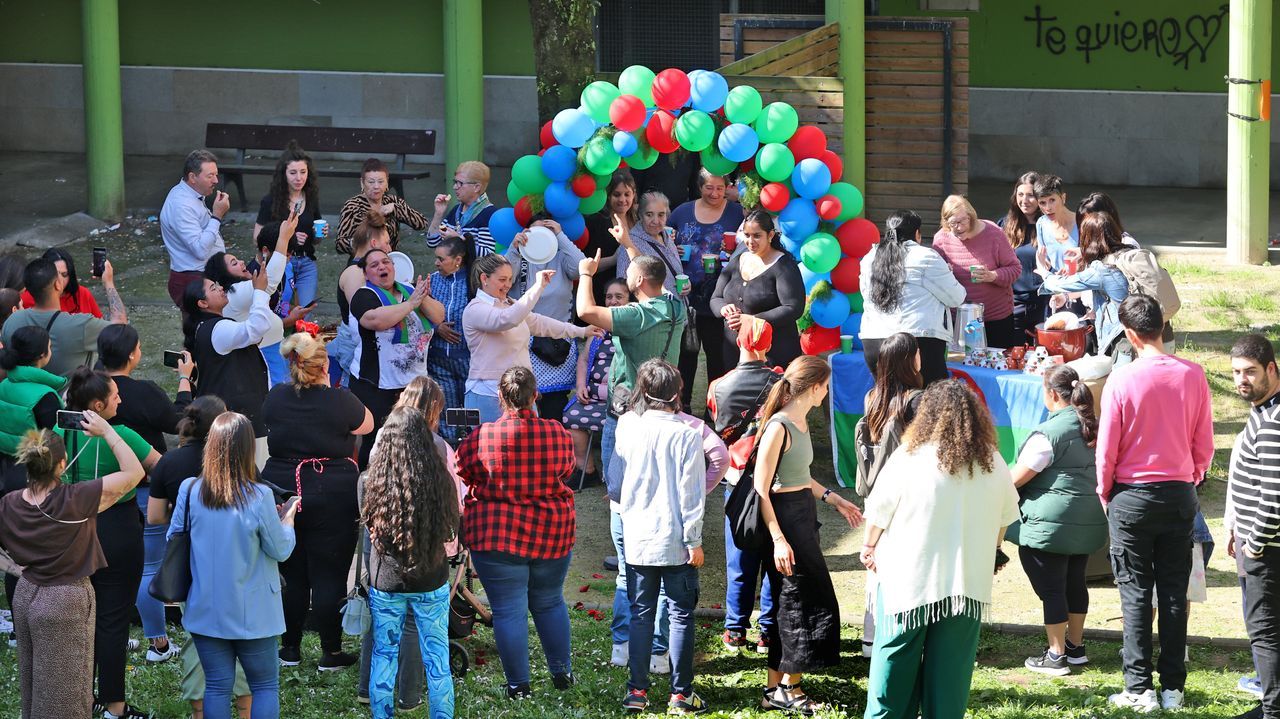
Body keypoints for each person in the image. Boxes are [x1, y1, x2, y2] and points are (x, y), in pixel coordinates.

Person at [860, 380, 1019, 719]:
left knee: (894, 662)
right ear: (976, 417)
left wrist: (869, 545)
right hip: (966, 584)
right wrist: (992, 549)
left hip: (909, 583)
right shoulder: (993, 461)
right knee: (951, 675)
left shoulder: (910, 456)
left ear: (927, 416)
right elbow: (1005, 517)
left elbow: (878, 512)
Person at [1096, 295, 1214, 712]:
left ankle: (1139, 686)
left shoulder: (1122, 379)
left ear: (1129, 335)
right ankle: (1172, 689)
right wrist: (1191, 476)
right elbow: (1204, 443)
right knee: (1174, 592)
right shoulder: (1193, 374)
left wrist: (1104, 491)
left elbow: (1107, 449)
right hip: (1179, 492)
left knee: (1135, 592)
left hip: (1131, 495)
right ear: (1162, 327)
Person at [0, 414, 144, 719]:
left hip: (26, 594)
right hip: (64, 599)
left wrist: (17, 570)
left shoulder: (9, 502)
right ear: (61, 465)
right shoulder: (76, 498)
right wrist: (107, 431)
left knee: (33, 686)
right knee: (66, 697)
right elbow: (135, 472)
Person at [748, 355, 863, 713]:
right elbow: (761, 489)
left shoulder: (800, 422)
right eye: (825, 387)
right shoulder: (778, 427)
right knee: (802, 603)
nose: (827, 393)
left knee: (794, 601)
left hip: (802, 515)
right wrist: (778, 539)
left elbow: (799, 475)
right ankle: (789, 688)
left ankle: (774, 690)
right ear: (813, 387)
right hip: (784, 522)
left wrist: (833, 498)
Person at [455, 366, 577, 699]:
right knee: (550, 601)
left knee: (509, 610)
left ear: (500, 397)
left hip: (496, 534)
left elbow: (462, 469)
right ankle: (562, 674)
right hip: (551, 532)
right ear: (535, 396)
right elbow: (567, 469)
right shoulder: (557, 433)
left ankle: (518, 686)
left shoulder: (482, 436)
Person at [171, 412, 298, 719]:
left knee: (216, 686)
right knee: (264, 686)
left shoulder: (190, 490)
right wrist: (288, 520)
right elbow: (280, 549)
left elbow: (173, 537)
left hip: (205, 606)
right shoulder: (260, 495)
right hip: (255, 611)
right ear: (248, 448)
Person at [261, 333, 373, 669]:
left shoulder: (276, 397)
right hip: (332, 492)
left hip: (283, 490)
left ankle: (290, 648)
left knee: (291, 574)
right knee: (329, 573)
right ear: (324, 365)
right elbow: (366, 424)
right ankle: (331, 652)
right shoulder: (341, 400)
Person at [356, 375, 467, 709]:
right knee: (437, 656)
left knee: (383, 650)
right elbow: (453, 520)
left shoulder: (369, 478)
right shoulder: (440, 472)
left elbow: (370, 523)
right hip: (430, 571)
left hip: (386, 574)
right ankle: (418, 702)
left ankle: (376, 704)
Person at [576, 242, 686, 574]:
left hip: (627, 411)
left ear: (638, 281)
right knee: (656, 481)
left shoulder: (635, 316)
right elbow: (651, 273)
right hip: (664, 407)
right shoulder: (675, 305)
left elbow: (585, 311)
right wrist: (627, 243)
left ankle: (628, 560)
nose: (625, 276)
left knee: (620, 489)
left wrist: (585, 274)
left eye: (630, 273)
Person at [59, 368, 162, 719]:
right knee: (113, 619)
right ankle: (115, 706)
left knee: (80, 619)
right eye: (115, 395)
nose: (121, 399)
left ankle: (82, 700)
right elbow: (160, 468)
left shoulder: (58, 433)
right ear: (98, 406)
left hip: (71, 528)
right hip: (116, 528)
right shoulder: (122, 435)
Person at [611, 359, 709, 714]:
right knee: (680, 615)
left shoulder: (627, 426)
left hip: (638, 535)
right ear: (677, 392)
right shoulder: (687, 434)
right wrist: (694, 540)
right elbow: (691, 494)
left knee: (641, 614)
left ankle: (637, 691)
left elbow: (619, 470)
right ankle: (681, 694)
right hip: (676, 538)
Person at [144, 397, 252, 719]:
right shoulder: (238, 462)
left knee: (197, 635)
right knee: (241, 637)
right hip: (237, 562)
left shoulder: (170, 462)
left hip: (192, 564)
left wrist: (186, 517)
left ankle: (198, 708)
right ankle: (244, 708)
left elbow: (154, 517)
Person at [97, 324, 192, 663]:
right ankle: (158, 643)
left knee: (106, 568)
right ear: (131, 355)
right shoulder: (142, 392)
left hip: (101, 491)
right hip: (143, 491)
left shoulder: (87, 391)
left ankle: (113, 635)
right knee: (149, 566)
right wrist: (185, 379)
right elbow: (179, 420)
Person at [1005, 364, 1107, 676]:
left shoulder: (1049, 434)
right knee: (1075, 582)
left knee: (1052, 589)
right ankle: (1075, 647)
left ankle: (1055, 654)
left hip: (1050, 524)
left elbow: (1016, 480)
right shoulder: (1096, 427)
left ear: (1051, 394)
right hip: (1088, 520)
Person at [706, 317, 781, 653]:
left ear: (739, 342)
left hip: (737, 480)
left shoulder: (718, 386)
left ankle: (735, 629)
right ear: (767, 344)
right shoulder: (782, 383)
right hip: (774, 479)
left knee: (738, 561)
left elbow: (716, 426)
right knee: (773, 561)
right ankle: (768, 631)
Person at [461, 254, 597, 425]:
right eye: (502, 279)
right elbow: (507, 319)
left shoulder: (511, 304)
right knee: (488, 443)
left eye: (510, 279)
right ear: (484, 278)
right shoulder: (475, 309)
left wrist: (582, 331)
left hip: (523, 392)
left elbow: (541, 323)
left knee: (530, 442)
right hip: (487, 393)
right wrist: (538, 287)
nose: (508, 285)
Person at [855, 332, 925, 657]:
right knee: (908, 564)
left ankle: (871, 637)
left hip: (875, 491)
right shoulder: (917, 400)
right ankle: (901, 633)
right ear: (910, 359)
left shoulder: (873, 397)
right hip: (907, 493)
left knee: (875, 564)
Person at [348, 250, 445, 466]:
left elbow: (439, 316)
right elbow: (375, 320)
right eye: (374, 265)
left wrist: (421, 297)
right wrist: (411, 304)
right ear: (366, 273)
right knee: (377, 442)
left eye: (386, 262)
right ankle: (369, 482)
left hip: (414, 385)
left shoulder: (409, 290)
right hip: (377, 386)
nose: (382, 267)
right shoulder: (364, 296)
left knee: (420, 440)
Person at [1228, 333, 1280, 719]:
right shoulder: (1265, 411)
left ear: (1271, 370)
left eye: (1250, 372)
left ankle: (1273, 710)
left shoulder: (1273, 422)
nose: (1242, 380)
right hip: (1260, 545)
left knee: (1264, 633)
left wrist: (1254, 543)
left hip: (1267, 550)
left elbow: (1275, 496)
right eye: (1235, 373)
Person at [858, 210, 965, 385]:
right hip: (917, 341)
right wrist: (948, 274)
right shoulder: (926, 256)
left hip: (873, 340)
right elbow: (957, 297)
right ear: (917, 234)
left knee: (887, 398)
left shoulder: (869, 258)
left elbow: (865, 294)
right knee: (928, 399)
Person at [670, 169, 745, 403]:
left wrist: (735, 249)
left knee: (718, 357)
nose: (714, 193)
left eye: (720, 188)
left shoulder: (737, 213)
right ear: (699, 186)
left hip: (720, 298)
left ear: (727, 188)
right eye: (709, 187)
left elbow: (751, 243)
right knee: (684, 357)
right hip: (685, 297)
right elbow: (663, 239)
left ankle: (716, 410)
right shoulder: (682, 212)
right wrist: (673, 247)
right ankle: (682, 407)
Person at [182, 266, 273, 459]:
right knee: (253, 469)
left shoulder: (205, 327)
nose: (221, 288)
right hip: (240, 420)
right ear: (203, 303)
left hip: (227, 417)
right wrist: (260, 292)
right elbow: (257, 327)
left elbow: (250, 335)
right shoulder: (218, 329)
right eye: (213, 288)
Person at [506, 217, 588, 420]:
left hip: (556, 342)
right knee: (520, 401)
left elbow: (582, 267)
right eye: (534, 232)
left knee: (554, 406)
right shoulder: (519, 257)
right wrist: (514, 249)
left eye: (546, 231)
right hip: (522, 341)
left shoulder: (561, 257)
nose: (539, 237)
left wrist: (560, 236)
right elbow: (504, 280)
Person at [208, 213, 303, 387]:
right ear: (223, 275)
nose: (242, 262)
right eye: (234, 263)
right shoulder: (235, 293)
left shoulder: (241, 290)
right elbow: (270, 282)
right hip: (264, 364)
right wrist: (283, 238)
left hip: (274, 360)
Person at [710, 209, 805, 371]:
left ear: (770, 235)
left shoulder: (784, 266)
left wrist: (751, 320)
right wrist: (724, 308)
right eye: (747, 235)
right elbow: (715, 298)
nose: (750, 241)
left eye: (757, 236)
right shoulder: (737, 260)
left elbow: (793, 308)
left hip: (773, 354)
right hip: (735, 352)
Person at [2, 256, 126, 377]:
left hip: (24, 390)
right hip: (69, 391)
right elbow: (121, 329)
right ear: (57, 285)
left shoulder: (12, 321)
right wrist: (108, 282)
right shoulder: (81, 325)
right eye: (60, 275)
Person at [931, 194, 1022, 348]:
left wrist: (992, 276)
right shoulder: (941, 239)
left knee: (997, 359)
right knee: (961, 361)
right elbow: (934, 278)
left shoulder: (993, 233)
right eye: (953, 223)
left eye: (963, 221)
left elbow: (1015, 269)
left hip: (996, 318)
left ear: (971, 217)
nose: (959, 227)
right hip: (959, 319)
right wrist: (944, 273)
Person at [563, 278, 630, 485]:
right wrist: (581, 386)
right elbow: (583, 360)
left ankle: (620, 474)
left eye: (619, 296)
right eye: (609, 297)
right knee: (570, 417)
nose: (613, 301)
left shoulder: (633, 329)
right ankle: (587, 470)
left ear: (630, 300)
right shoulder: (599, 329)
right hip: (592, 397)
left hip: (622, 402)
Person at [1038, 212, 1131, 359]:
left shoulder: (1102, 270)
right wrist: (1066, 297)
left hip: (1121, 336)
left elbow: (1060, 284)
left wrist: (1043, 271)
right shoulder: (1125, 253)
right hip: (1140, 328)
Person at [252, 141, 323, 308]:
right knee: (280, 309)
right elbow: (257, 238)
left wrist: (318, 234)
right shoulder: (270, 201)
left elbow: (316, 240)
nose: (299, 178)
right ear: (283, 174)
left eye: (303, 172)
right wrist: (287, 237)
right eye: (293, 173)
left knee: (305, 310)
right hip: (281, 262)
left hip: (306, 262)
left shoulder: (310, 198)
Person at [161, 149, 231, 308]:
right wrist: (217, 215)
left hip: (201, 277)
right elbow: (199, 250)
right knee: (201, 324)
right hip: (191, 280)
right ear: (192, 177)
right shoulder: (181, 205)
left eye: (216, 174)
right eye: (210, 176)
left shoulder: (191, 195)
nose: (216, 180)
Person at [330, 214, 392, 386]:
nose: (389, 248)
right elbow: (363, 315)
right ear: (374, 243)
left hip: (364, 344)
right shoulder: (355, 273)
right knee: (354, 392)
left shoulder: (362, 269)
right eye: (387, 242)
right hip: (354, 346)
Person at [0, 327, 63, 494]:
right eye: (49, 347)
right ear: (42, 355)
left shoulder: (3, 385)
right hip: (35, 476)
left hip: (6, 470)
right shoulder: (45, 396)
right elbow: (55, 440)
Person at [425, 235, 470, 443]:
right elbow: (419, 313)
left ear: (458, 260)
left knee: (470, 412)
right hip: (439, 361)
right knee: (446, 414)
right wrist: (437, 328)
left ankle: (471, 448)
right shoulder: (432, 280)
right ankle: (450, 452)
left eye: (441, 259)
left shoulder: (474, 281)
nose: (436, 263)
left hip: (469, 361)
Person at [336, 158, 428, 255]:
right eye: (371, 182)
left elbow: (421, 224)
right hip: (363, 259)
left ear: (387, 182)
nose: (376, 186)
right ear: (362, 183)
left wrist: (396, 209)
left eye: (380, 182)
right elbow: (340, 244)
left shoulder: (393, 201)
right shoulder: (352, 206)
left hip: (390, 257)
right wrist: (359, 243)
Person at [999, 171, 1046, 342]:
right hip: (1013, 303)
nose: (1024, 200)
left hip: (1045, 304)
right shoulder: (1004, 225)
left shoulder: (1050, 226)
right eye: (1020, 195)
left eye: (1030, 195)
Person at [584, 172, 639, 306]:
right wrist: (614, 259)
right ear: (608, 196)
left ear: (633, 195)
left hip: (632, 296)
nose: (622, 199)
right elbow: (586, 265)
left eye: (627, 194)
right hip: (603, 295)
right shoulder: (596, 221)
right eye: (617, 194)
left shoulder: (638, 222)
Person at [617, 191, 686, 297]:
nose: (656, 221)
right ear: (640, 215)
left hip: (678, 306)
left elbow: (675, 275)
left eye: (661, 215)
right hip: (654, 307)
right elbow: (622, 288)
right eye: (649, 215)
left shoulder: (667, 237)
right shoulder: (629, 243)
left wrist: (686, 285)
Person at [427, 160, 497, 259]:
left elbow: (488, 255)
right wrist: (438, 214)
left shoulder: (489, 214)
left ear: (476, 187)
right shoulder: (456, 210)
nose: (454, 187)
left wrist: (458, 239)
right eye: (455, 182)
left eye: (460, 183)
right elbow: (432, 242)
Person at [19, 247, 102, 316]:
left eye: (64, 274)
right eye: (55, 274)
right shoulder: (25, 300)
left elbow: (101, 326)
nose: (60, 280)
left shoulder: (82, 294)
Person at [1033, 174, 1078, 274]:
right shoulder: (1041, 224)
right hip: (1055, 281)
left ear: (1063, 198)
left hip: (1083, 282)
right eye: (1042, 203)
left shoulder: (1083, 222)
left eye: (1052, 200)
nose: (1048, 208)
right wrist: (1045, 267)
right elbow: (1044, 260)